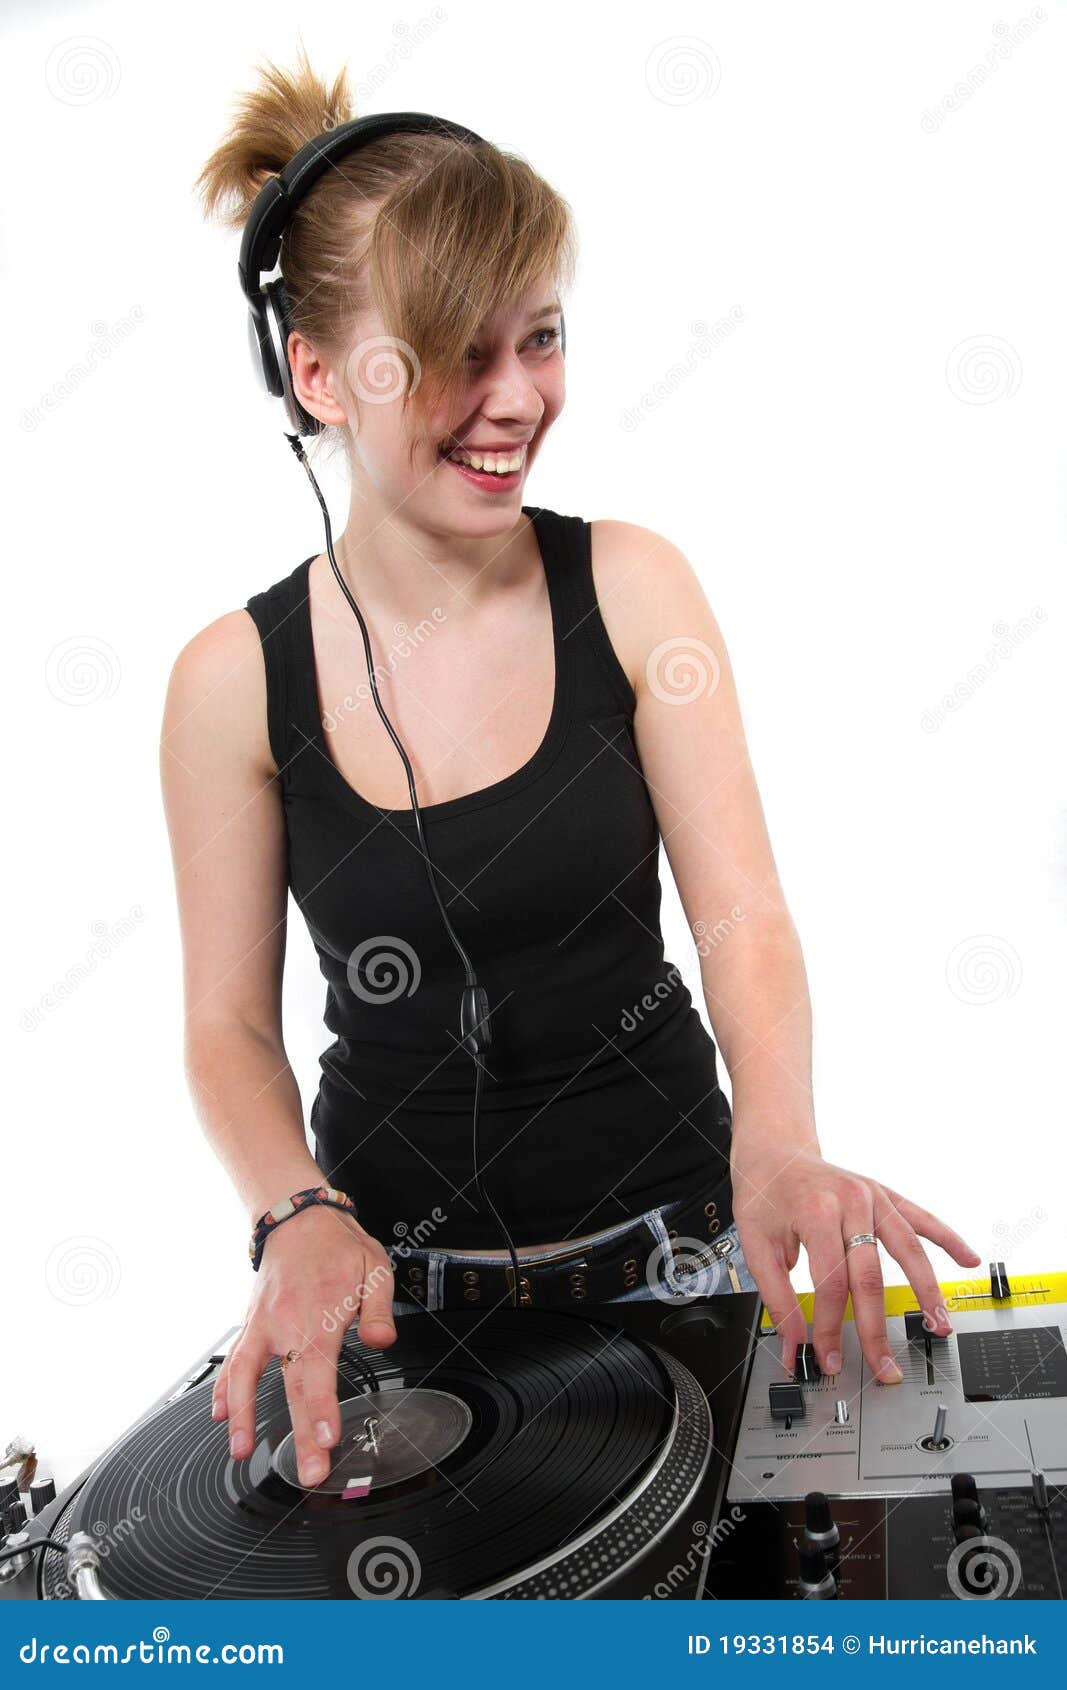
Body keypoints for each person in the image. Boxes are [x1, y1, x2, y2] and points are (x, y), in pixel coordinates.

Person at [161, 46, 981, 1491]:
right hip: (404, 1326)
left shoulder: (636, 586)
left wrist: (781, 1144)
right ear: (313, 375)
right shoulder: (228, 683)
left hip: (680, 1272)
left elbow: (742, 916)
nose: (515, 399)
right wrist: (291, 1211)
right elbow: (228, 1022)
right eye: (454, 356)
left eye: (537, 338)